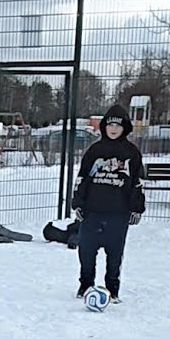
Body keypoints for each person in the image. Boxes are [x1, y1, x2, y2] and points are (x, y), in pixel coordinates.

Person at [71, 105, 146, 300]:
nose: (113, 129)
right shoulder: (95, 151)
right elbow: (83, 178)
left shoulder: (131, 153)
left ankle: (112, 288)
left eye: (118, 126)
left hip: (118, 213)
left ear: (125, 128)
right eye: (110, 125)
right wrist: (78, 203)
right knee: (86, 251)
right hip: (92, 211)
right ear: (104, 126)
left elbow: (137, 182)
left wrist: (136, 208)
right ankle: (86, 285)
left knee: (115, 253)